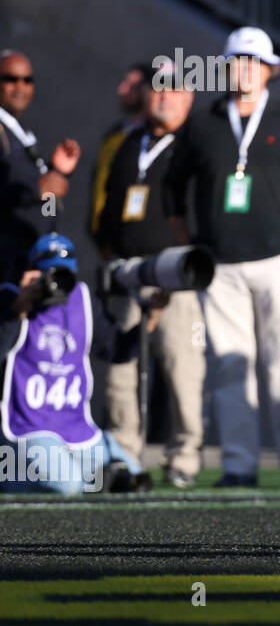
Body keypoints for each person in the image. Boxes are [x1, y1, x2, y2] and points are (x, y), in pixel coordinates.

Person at [163, 27, 280, 489]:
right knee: (230, 363)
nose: (246, 70)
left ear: (270, 70)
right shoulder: (204, 122)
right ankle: (238, 464)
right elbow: (172, 189)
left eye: (255, 62)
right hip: (219, 265)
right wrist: (190, 246)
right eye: (238, 60)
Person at [95, 60, 205, 491]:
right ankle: (124, 451)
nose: (164, 96)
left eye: (174, 88)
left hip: (175, 274)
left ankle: (184, 456)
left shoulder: (193, 144)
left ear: (189, 96)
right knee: (121, 367)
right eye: (158, 87)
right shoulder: (128, 141)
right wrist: (108, 248)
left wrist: (176, 272)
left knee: (182, 365)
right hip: (127, 271)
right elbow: (107, 203)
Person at [0, 235, 150, 495]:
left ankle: (89, 475)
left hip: (76, 426)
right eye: (51, 274)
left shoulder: (81, 298)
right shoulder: (10, 297)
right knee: (69, 486)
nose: (57, 283)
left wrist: (152, 316)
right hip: (29, 426)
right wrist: (18, 308)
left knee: (135, 482)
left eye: (64, 274)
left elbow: (117, 350)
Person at [0, 51, 81, 284]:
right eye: (10, 79)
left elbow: (43, 200)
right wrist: (35, 190)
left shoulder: (20, 130)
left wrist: (57, 171)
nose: (20, 86)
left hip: (28, 258)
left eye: (27, 80)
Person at [88, 63, 150, 241]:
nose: (122, 89)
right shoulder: (114, 134)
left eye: (132, 85)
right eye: (124, 83)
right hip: (103, 233)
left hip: (136, 237)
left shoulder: (153, 138)